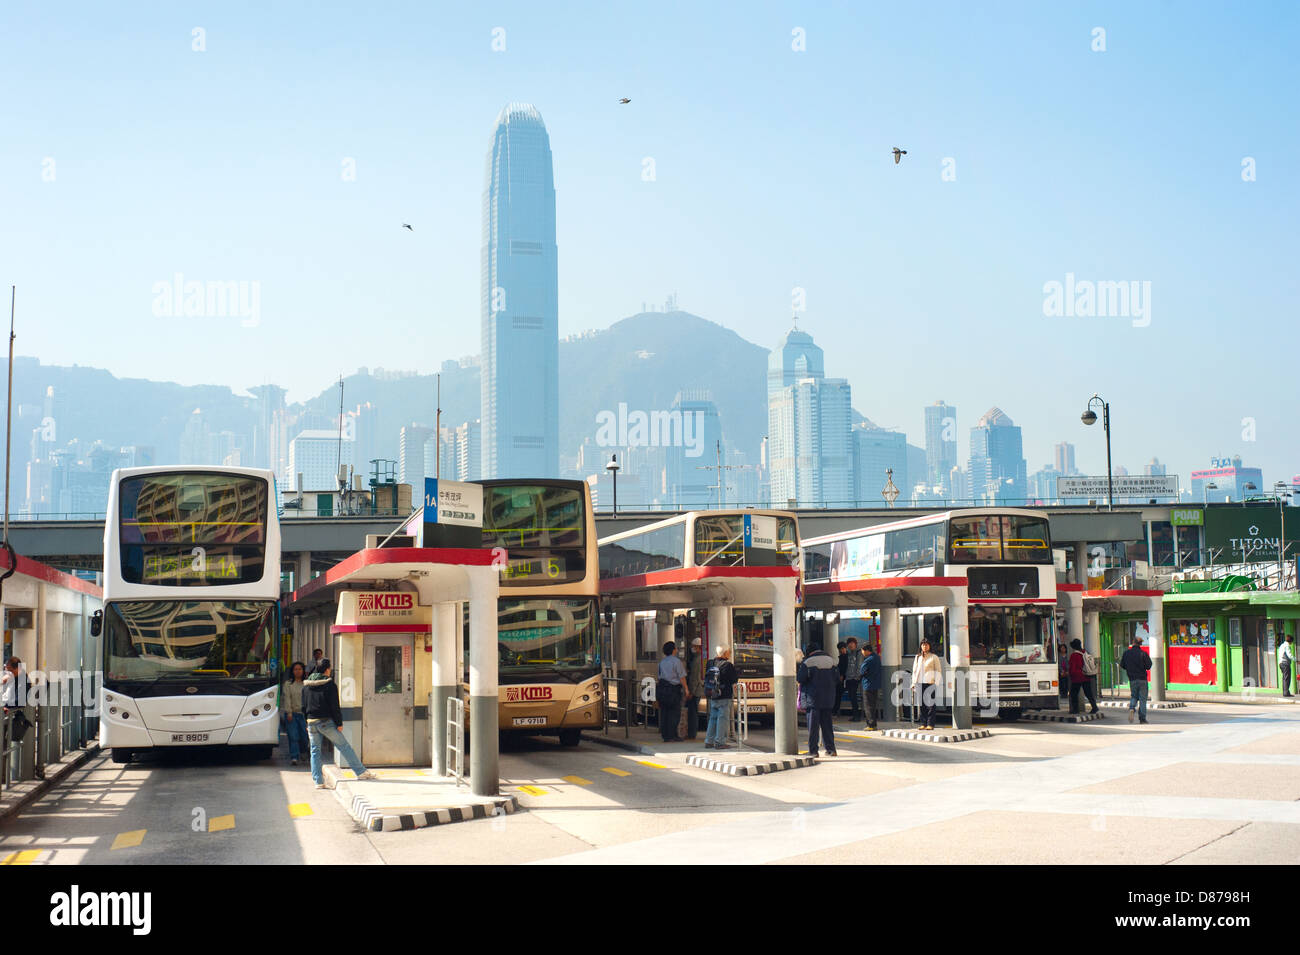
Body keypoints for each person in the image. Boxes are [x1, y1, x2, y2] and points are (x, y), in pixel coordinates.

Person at [302, 658, 376, 789]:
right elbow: (334, 706)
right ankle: (361, 772)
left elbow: (303, 706)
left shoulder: (306, 686)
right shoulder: (330, 685)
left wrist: (306, 722)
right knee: (344, 746)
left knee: (315, 752)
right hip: (326, 722)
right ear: (327, 669)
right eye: (330, 668)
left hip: (311, 722)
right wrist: (339, 722)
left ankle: (318, 781)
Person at [797, 644, 839, 757]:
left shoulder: (808, 662)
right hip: (828, 699)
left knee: (813, 728)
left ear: (809, 652)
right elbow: (837, 678)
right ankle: (831, 750)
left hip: (813, 699)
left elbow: (800, 679)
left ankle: (813, 751)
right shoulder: (832, 661)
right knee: (827, 726)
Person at [703, 645, 738, 750]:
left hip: (713, 694)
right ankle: (720, 742)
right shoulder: (728, 665)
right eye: (729, 652)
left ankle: (709, 741)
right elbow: (734, 680)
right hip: (724, 695)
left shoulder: (710, 663)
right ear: (725, 653)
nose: (730, 653)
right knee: (722, 719)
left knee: (713, 718)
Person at [656, 641, 689, 743]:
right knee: (674, 713)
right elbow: (681, 677)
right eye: (675, 648)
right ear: (673, 650)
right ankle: (672, 735)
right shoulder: (676, 662)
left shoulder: (662, 662)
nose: (676, 650)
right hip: (673, 689)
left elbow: (659, 676)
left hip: (662, 689)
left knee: (664, 713)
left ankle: (666, 735)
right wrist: (686, 689)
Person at [1120, 633, 1153, 724]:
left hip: (1132, 679)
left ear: (1133, 643)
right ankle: (1142, 718)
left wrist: (1130, 669)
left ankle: (1131, 708)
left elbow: (1122, 665)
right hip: (1142, 679)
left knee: (1134, 696)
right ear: (1140, 644)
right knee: (1142, 699)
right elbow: (1149, 665)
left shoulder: (1126, 653)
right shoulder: (1143, 654)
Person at [280, 661, 309, 765]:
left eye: (300, 669)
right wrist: (289, 712)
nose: (297, 671)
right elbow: (287, 698)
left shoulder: (307, 684)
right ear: (292, 671)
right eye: (295, 669)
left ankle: (303, 752)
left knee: (304, 737)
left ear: (303, 671)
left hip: (304, 715)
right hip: (292, 714)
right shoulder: (288, 684)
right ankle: (294, 756)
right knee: (293, 736)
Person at [911, 638, 942, 730]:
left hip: (930, 683)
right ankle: (923, 723)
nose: (925, 646)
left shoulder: (934, 657)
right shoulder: (918, 657)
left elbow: (938, 671)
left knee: (930, 705)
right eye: (923, 645)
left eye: (926, 645)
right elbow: (914, 671)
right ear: (921, 646)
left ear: (930, 646)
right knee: (922, 704)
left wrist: (936, 683)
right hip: (920, 683)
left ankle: (930, 724)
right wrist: (913, 683)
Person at [1067, 639, 1099, 715]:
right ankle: (1094, 707)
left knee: (1073, 694)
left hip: (1077, 677)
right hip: (1086, 676)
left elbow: (1073, 668)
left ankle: (1075, 709)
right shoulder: (1085, 652)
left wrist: (1070, 674)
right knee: (1088, 693)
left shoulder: (1074, 655)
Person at [685, 637, 704, 740]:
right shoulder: (700, 658)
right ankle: (692, 733)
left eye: (693, 646)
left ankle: (692, 734)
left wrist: (690, 691)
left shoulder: (697, 660)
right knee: (693, 712)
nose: (692, 648)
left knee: (693, 713)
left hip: (695, 691)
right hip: (699, 689)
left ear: (698, 647)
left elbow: (694, 678)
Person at [859, 642, 882, 730]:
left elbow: (862, 671)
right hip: (875, 684)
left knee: (868, 705)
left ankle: (870, 725)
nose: (862, 653)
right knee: (873, 704)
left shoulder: (868, 660)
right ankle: (874, 724)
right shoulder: (876, 658)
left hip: (867, 684)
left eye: (862, 651)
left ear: (867, 651)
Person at [842, 637, 864, 720]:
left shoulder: (858, 653)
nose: (850, 645)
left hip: (854, 678)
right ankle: (855, 714)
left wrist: (857, 677)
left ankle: (856, 715)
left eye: (852, 643)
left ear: (855, 644)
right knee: (851, 697)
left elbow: (859, 665)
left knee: (853, 696)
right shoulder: (848, 653)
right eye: (849, 643)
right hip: (848, 678)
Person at [1280, 633, 1295, 699]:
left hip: (1281, 663)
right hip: (1285, 664)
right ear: (1291, 641)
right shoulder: (1287, 646)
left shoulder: (1282, 645)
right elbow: (1289, 655)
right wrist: (1296, 660)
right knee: (1287, 678)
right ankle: (1286, 693)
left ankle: (1285, 692)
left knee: (1284, 678)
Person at [835, 641, 848, 715]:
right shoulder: (845, 656)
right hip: (843, 679)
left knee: (838, 695)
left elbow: (843, 668)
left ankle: (835, 711)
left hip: (843, 679)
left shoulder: (844, 657)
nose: (842, 650)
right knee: (838, 695)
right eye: (840, 649)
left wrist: (841, 675)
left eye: (843, 648)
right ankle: (836, 710)